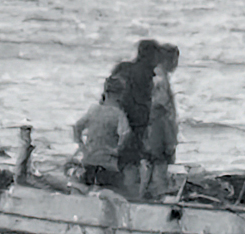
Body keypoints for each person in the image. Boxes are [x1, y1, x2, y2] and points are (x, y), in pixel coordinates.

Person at [108, 39, 160, 195]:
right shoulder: (145, 74)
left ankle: (115, 190)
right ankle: (131, 195)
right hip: (135, 124)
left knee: (117, 160)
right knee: (132, 162)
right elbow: (144, 104)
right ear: (150, 56)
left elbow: (108, 92)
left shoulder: (122, 68)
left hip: (114, 119)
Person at [71, 76, 133, 189]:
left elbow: (77, 127)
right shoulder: (118, 114)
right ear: (120, 95)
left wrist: (82, 146)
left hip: (90, 159)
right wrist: (118, 149)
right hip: (108, 162)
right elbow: (125, 133)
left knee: (87, 189)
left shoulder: (94, 110)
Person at [140, 43, 180, 198]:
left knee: (152, 164)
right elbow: (160, 108)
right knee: (159, 162)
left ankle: (149, 194)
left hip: (155, 127)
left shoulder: (156, 76)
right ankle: (156, 196)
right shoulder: (160, 79)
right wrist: (169, 137)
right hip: (158, 127)